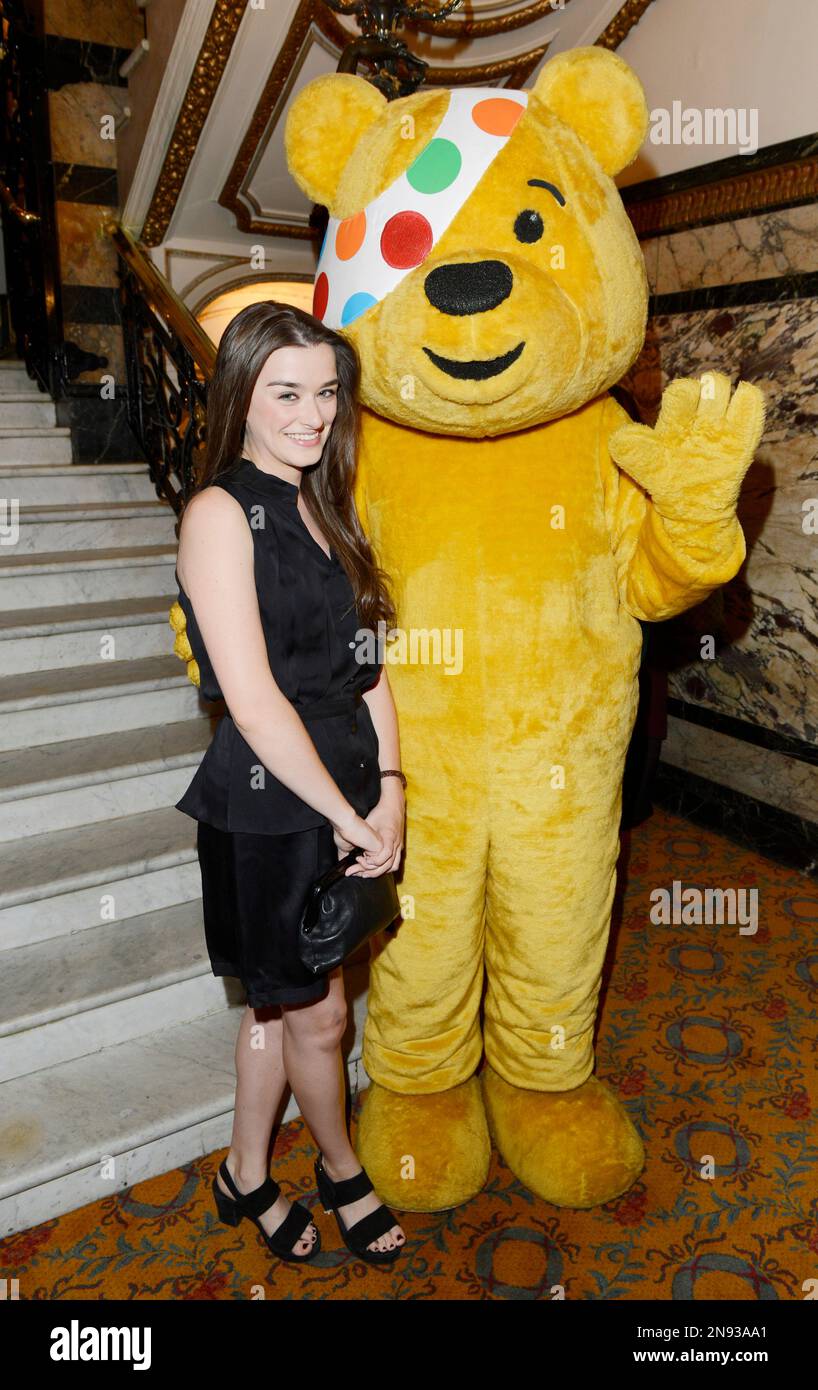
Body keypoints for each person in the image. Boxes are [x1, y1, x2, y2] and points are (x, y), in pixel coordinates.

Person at [174, 301, 407, 1264]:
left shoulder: (327, 499)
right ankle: (341, 1167)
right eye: (287, 393)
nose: (314, 415)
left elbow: (370, 661)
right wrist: (352, 814)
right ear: (242, 393)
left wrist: (391, 782)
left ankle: (243, 1173)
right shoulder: (219, 512)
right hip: (271, 811)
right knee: (319, 1010)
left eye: (326, 392)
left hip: (347, 789)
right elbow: (256, 702)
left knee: (282, 1002)